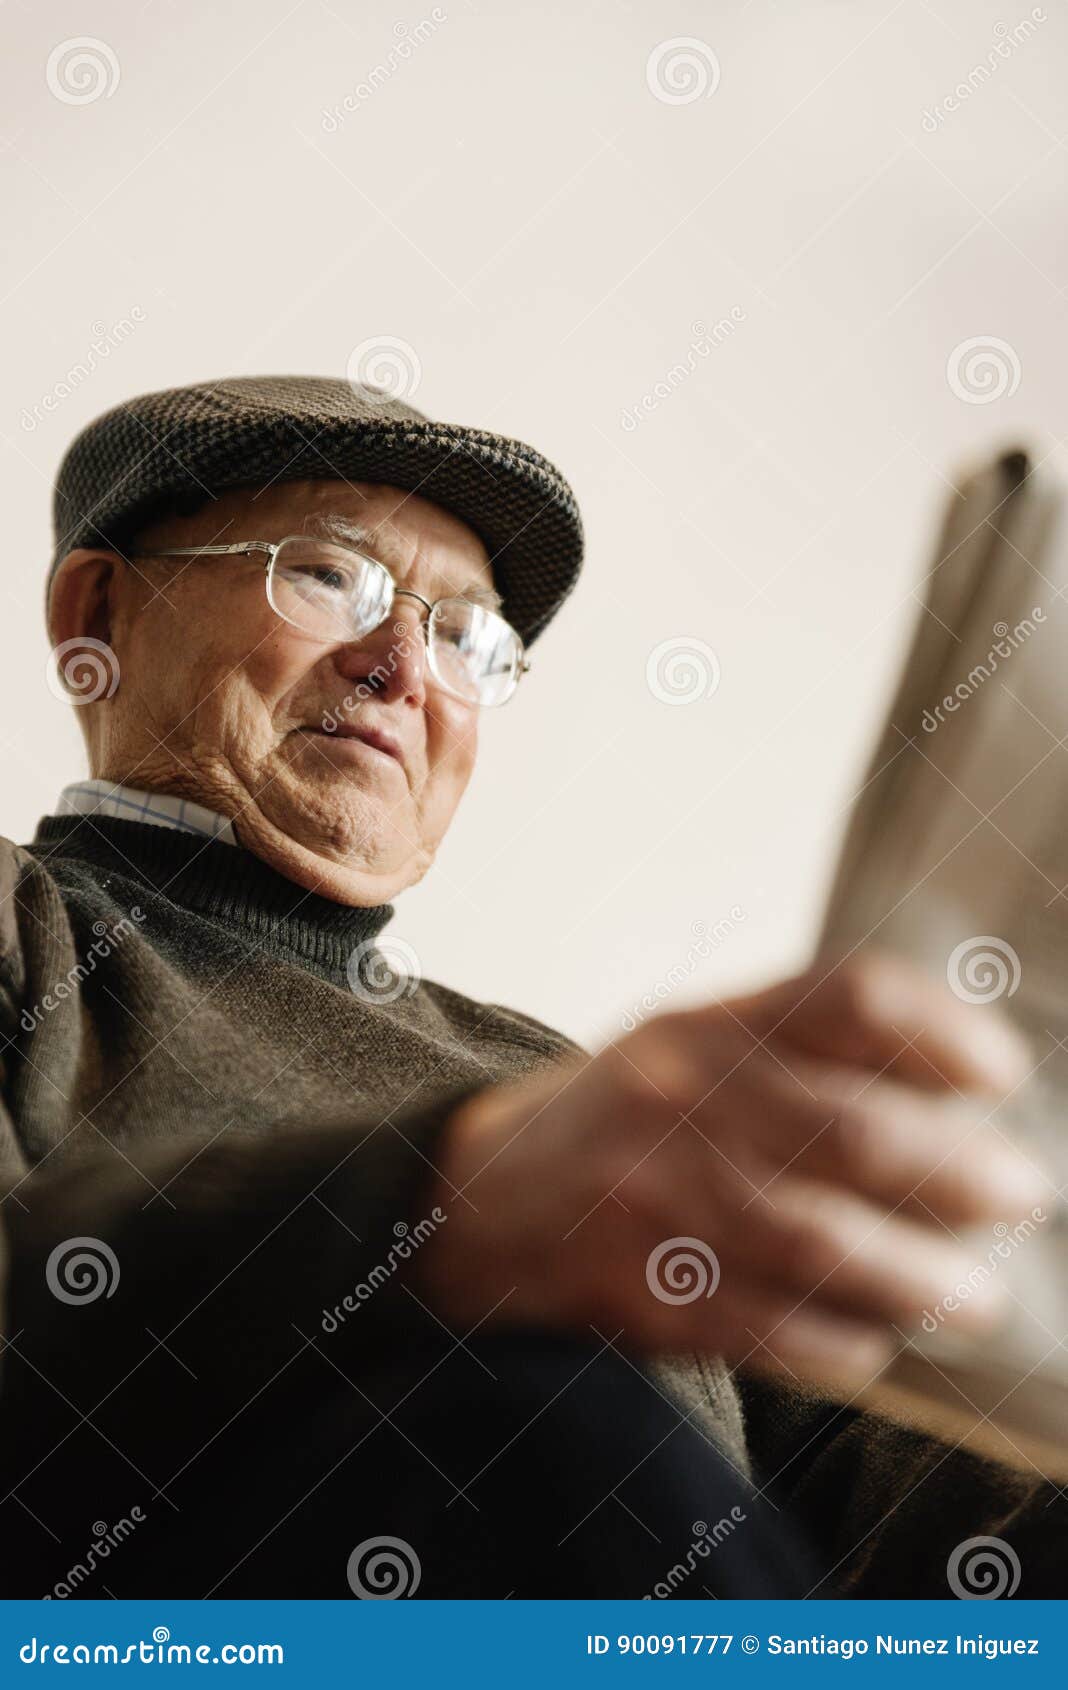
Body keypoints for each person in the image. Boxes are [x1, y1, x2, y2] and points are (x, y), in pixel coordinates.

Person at [0, 375, 1059, 1599]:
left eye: (467, 635)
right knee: (532, 1414)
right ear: (99, 612)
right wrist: (450, 1206)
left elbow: (854, 1500)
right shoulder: (28, 928)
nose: (405, 665)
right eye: (331, 575)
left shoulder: (551, 1084)